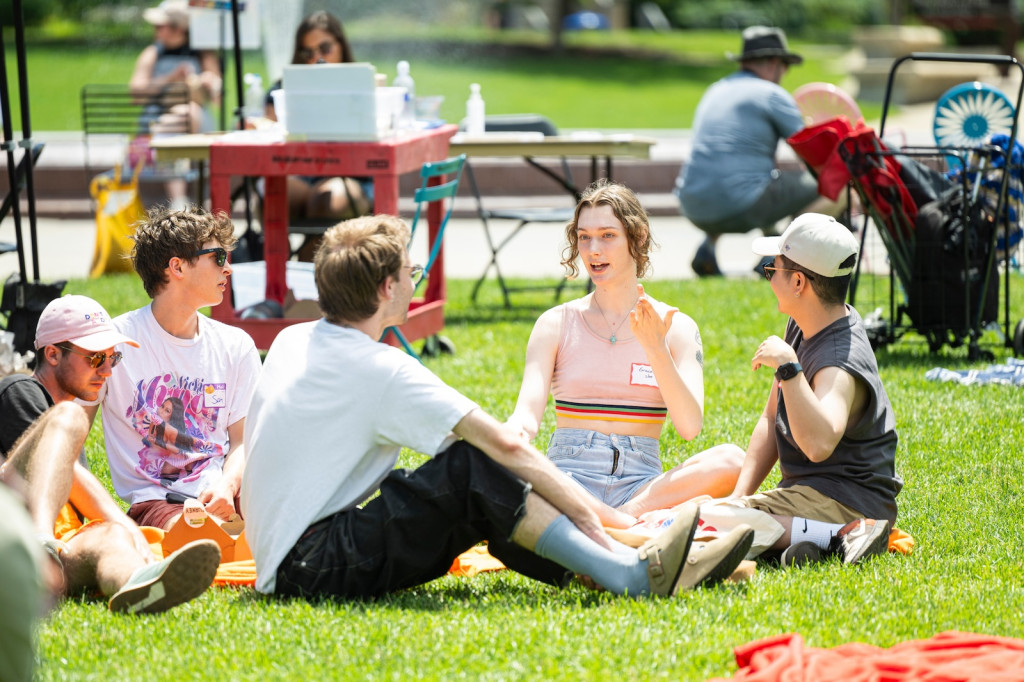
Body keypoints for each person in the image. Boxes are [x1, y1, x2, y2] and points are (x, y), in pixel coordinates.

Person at [241, 214, 755, 600]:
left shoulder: (294, 339)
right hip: (312, 565)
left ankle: (630, 565)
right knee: (477, 468)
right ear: (385, 288)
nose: (415, 279)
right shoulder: (381, 370)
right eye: (410, 271)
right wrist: (599, 522)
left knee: (480, 487)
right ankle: (626, 568)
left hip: (293, 556)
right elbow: (504, 445)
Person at [507, 181, 743, 518]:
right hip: (569, 480)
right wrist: (513, 433)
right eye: (584, 236)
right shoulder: (555, 323)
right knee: (499, 475)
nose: (593, 250)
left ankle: (616, 521)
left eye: (607, 235)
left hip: (641, 487)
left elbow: (689, 426)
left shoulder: (677, 327)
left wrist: (655, 348)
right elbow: (526, 415)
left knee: (732, 461)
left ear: (639, 236)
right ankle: (631, 527)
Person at [0, 295, 221, 614]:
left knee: (111, 538)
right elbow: (71, 478)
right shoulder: (20, 391)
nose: (107, 370)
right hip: (15, 542)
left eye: (112, 358)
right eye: (94, 359)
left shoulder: (63, 419)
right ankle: (40, 543)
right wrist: (131, 527)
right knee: (71, 418)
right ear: (52, 354)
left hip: (58, 554)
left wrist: (125, 536)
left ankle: (139, 588)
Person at [717, 213, 902, 566]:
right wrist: (739, 497)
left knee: (704, 522)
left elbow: (819, 443)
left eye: (774, 269)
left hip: (846, 503)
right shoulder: (808, 323)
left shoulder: (838, 362)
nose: (770, 277)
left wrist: (789, 368)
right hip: (816, 497)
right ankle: (813, 543)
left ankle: (841, 534)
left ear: (798, 281)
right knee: (725, 515)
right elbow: (771, 417)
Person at [86, 206, 262, 531]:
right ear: (177, 267)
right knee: (194, 532)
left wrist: (228, 486)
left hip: (226, 490)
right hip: (159, 501)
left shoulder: (235, 346)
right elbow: (72, 432)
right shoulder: (116, 343)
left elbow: (242, 443)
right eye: (218, 257)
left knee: (285, 522)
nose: (229, 269)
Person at [674, 26, 822, 277]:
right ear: (775, 63)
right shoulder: (772, 94)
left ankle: (707, 248)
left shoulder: (715, 89)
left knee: (758, 179)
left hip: (692, 204)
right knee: (834, 186)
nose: (784, 73)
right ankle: (778, 254)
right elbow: (812, 157)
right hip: (739, 204)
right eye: (785, 66)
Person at [264, 10, 372, 259]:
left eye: (325, 48)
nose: (318, 59)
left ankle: (306, 263)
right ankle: (280, 280)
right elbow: (269, 124)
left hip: (353, 176)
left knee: (326, 200)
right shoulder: (283, 89)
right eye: (308, 52)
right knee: (271, 196)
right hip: (304, 175)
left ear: (341, 46)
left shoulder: (362, 84)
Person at [131, 0, 221, 135]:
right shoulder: (152, 53)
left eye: (160, 26)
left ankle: (158, 139)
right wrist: (170, 78)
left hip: (195, 118)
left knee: (189, 113)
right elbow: (136, 93)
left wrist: (208, 83)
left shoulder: (203, 54)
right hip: (157, 112)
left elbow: (218, 99)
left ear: (179, 28)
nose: (155, 28)